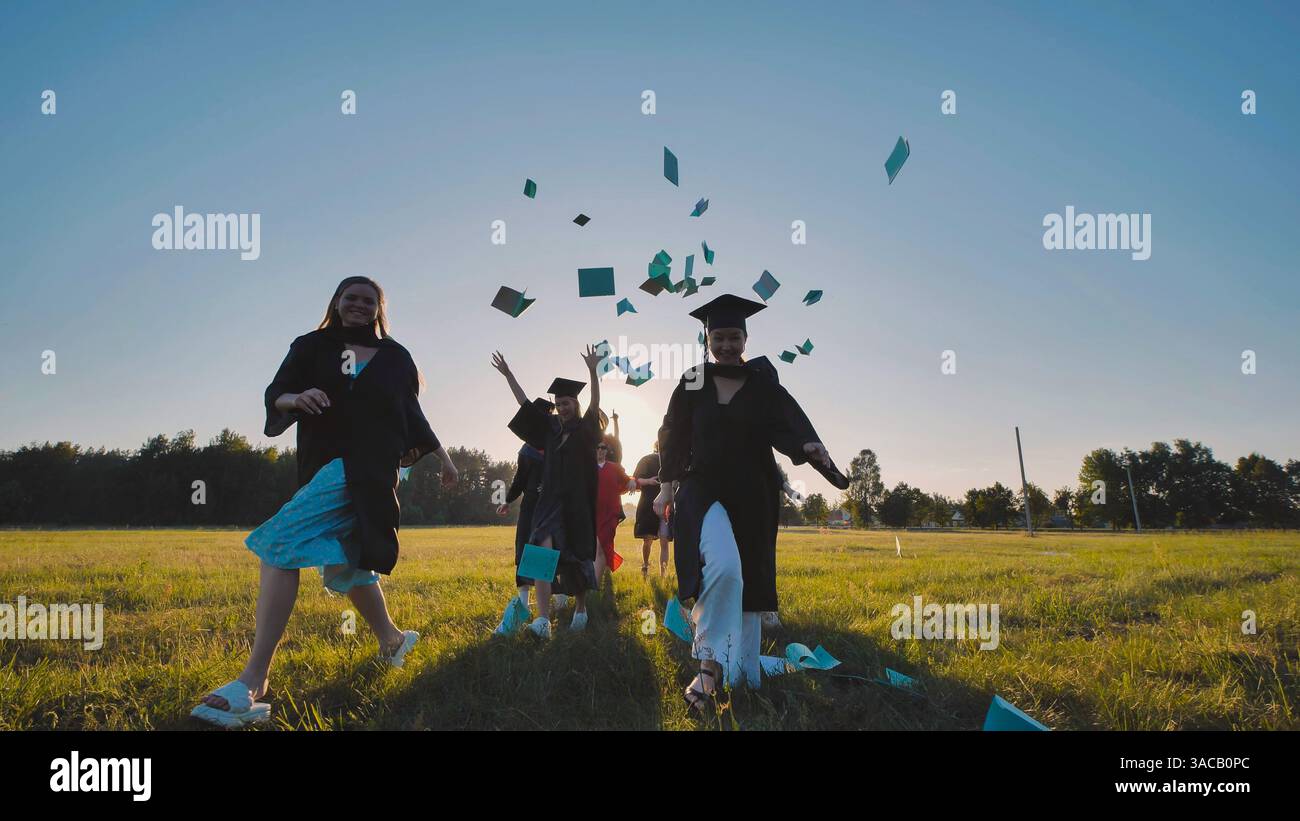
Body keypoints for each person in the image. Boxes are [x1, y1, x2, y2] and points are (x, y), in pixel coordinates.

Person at [192, 276, 458, 727]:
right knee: (345, 564)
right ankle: (392, 638)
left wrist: (446, 460)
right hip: (323, 464)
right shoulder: (311, 346)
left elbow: (412, 414)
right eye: (350, 298)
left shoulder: (396, 357)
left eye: (368, 300)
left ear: (379, 309)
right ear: (336, 302)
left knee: (278, 542)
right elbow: (276, 391)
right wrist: (297, 397)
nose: (359, 305)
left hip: (368, 468)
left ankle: (254, 682)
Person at [653, 294, 847, 713]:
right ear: (707, 338)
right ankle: (707, 666)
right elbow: (672, 434)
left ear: (746, 338)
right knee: (724, 567)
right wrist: (666, 490)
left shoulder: (762, 382)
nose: (726, 344)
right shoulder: (692, 380)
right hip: (703, 487)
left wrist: (806, 445)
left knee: (751, 587)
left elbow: (785, 426)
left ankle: (738, 672)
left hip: (753, 492)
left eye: (733, 337)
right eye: (718, 336)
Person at [491, 347, 605, 637]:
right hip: (550, 502)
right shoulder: (550, 429)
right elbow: (525, 405)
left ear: (575, 404)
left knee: (577, 556)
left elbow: (595, 403)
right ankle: (542, 621)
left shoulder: (587, 430)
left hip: (577, 504)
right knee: (541, 549)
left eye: (567, 402)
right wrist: (508, 375)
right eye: (559, 403)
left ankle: (580, 606)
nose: (562, 407)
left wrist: (593, 371)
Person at [493, 440, 546, 634]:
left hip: (552, 506)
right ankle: (523, 605)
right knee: (524, 550)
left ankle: (558, 600)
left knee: (547, 552)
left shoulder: (557, 440)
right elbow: (520, 478)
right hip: (531, 505)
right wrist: (508, 500)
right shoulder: (528, 449)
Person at [594, 434, 657, 580]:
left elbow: (630, 482)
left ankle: (595, 584)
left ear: (608, 450)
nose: (600, 450)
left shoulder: (615, 468)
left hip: (611, 514)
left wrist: (643, 482)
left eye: (603, 447)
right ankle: (602, 572)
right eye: (597, 447)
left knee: (602, 545)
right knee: (600, 547)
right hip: (593, 514)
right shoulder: (588, 468)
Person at [632, 442, 671, 575]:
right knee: (654, 540)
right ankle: (647, 567)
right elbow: (635, 480)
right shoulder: (649, 459)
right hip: (652, 504)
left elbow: (635, 480)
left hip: (657, 505)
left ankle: (661, 574)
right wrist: (649, 481)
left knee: (655, 540)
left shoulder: (666, 459)